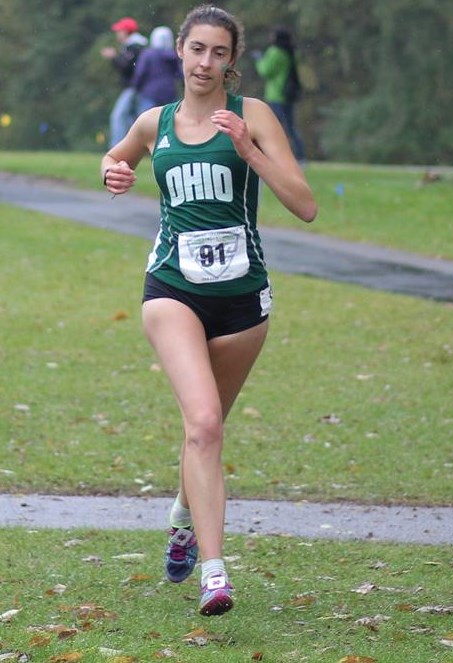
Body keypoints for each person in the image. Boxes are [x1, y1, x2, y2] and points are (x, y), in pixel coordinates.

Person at [100, 4, 317, 617]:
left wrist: (250, 151)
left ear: (232, 61)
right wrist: (113, 175)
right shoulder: (154, 122)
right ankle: (215, 576)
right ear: (181, 53)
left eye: (219, 53)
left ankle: (181, 514)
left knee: (208, 428)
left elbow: (305, 205)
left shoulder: (254, 117)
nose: (206, 62)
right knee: (202, 424)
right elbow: (115, 159)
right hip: (172, 288)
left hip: (243, 301)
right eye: (197, 50)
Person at [254, 27, 306, 163]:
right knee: (291, 126)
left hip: (276, 94)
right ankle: (300, 155)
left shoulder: (275, 52)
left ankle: (276, 155)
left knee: (272, 127)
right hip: (288, 94)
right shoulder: (291, 52)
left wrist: (259, 59)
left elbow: (265, 71)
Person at [100, 17, 147, 147]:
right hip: (136, 88)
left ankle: (117, 147)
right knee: (133, 120)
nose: (117, 33)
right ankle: (133, 148)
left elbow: (127, 67)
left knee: (118, 116)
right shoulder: (133, 46)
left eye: (119, 30)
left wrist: (114, 57)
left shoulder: (135, 47)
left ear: (126, 32)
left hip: (134, 88)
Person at [131, 26, 183, 116]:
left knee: (147, 123)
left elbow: (140, 73)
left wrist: (135, 87)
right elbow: (180, 74)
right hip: (169, 93)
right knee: (167, 122)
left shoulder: (148, 54)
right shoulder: (173, 55)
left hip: (149, 93)